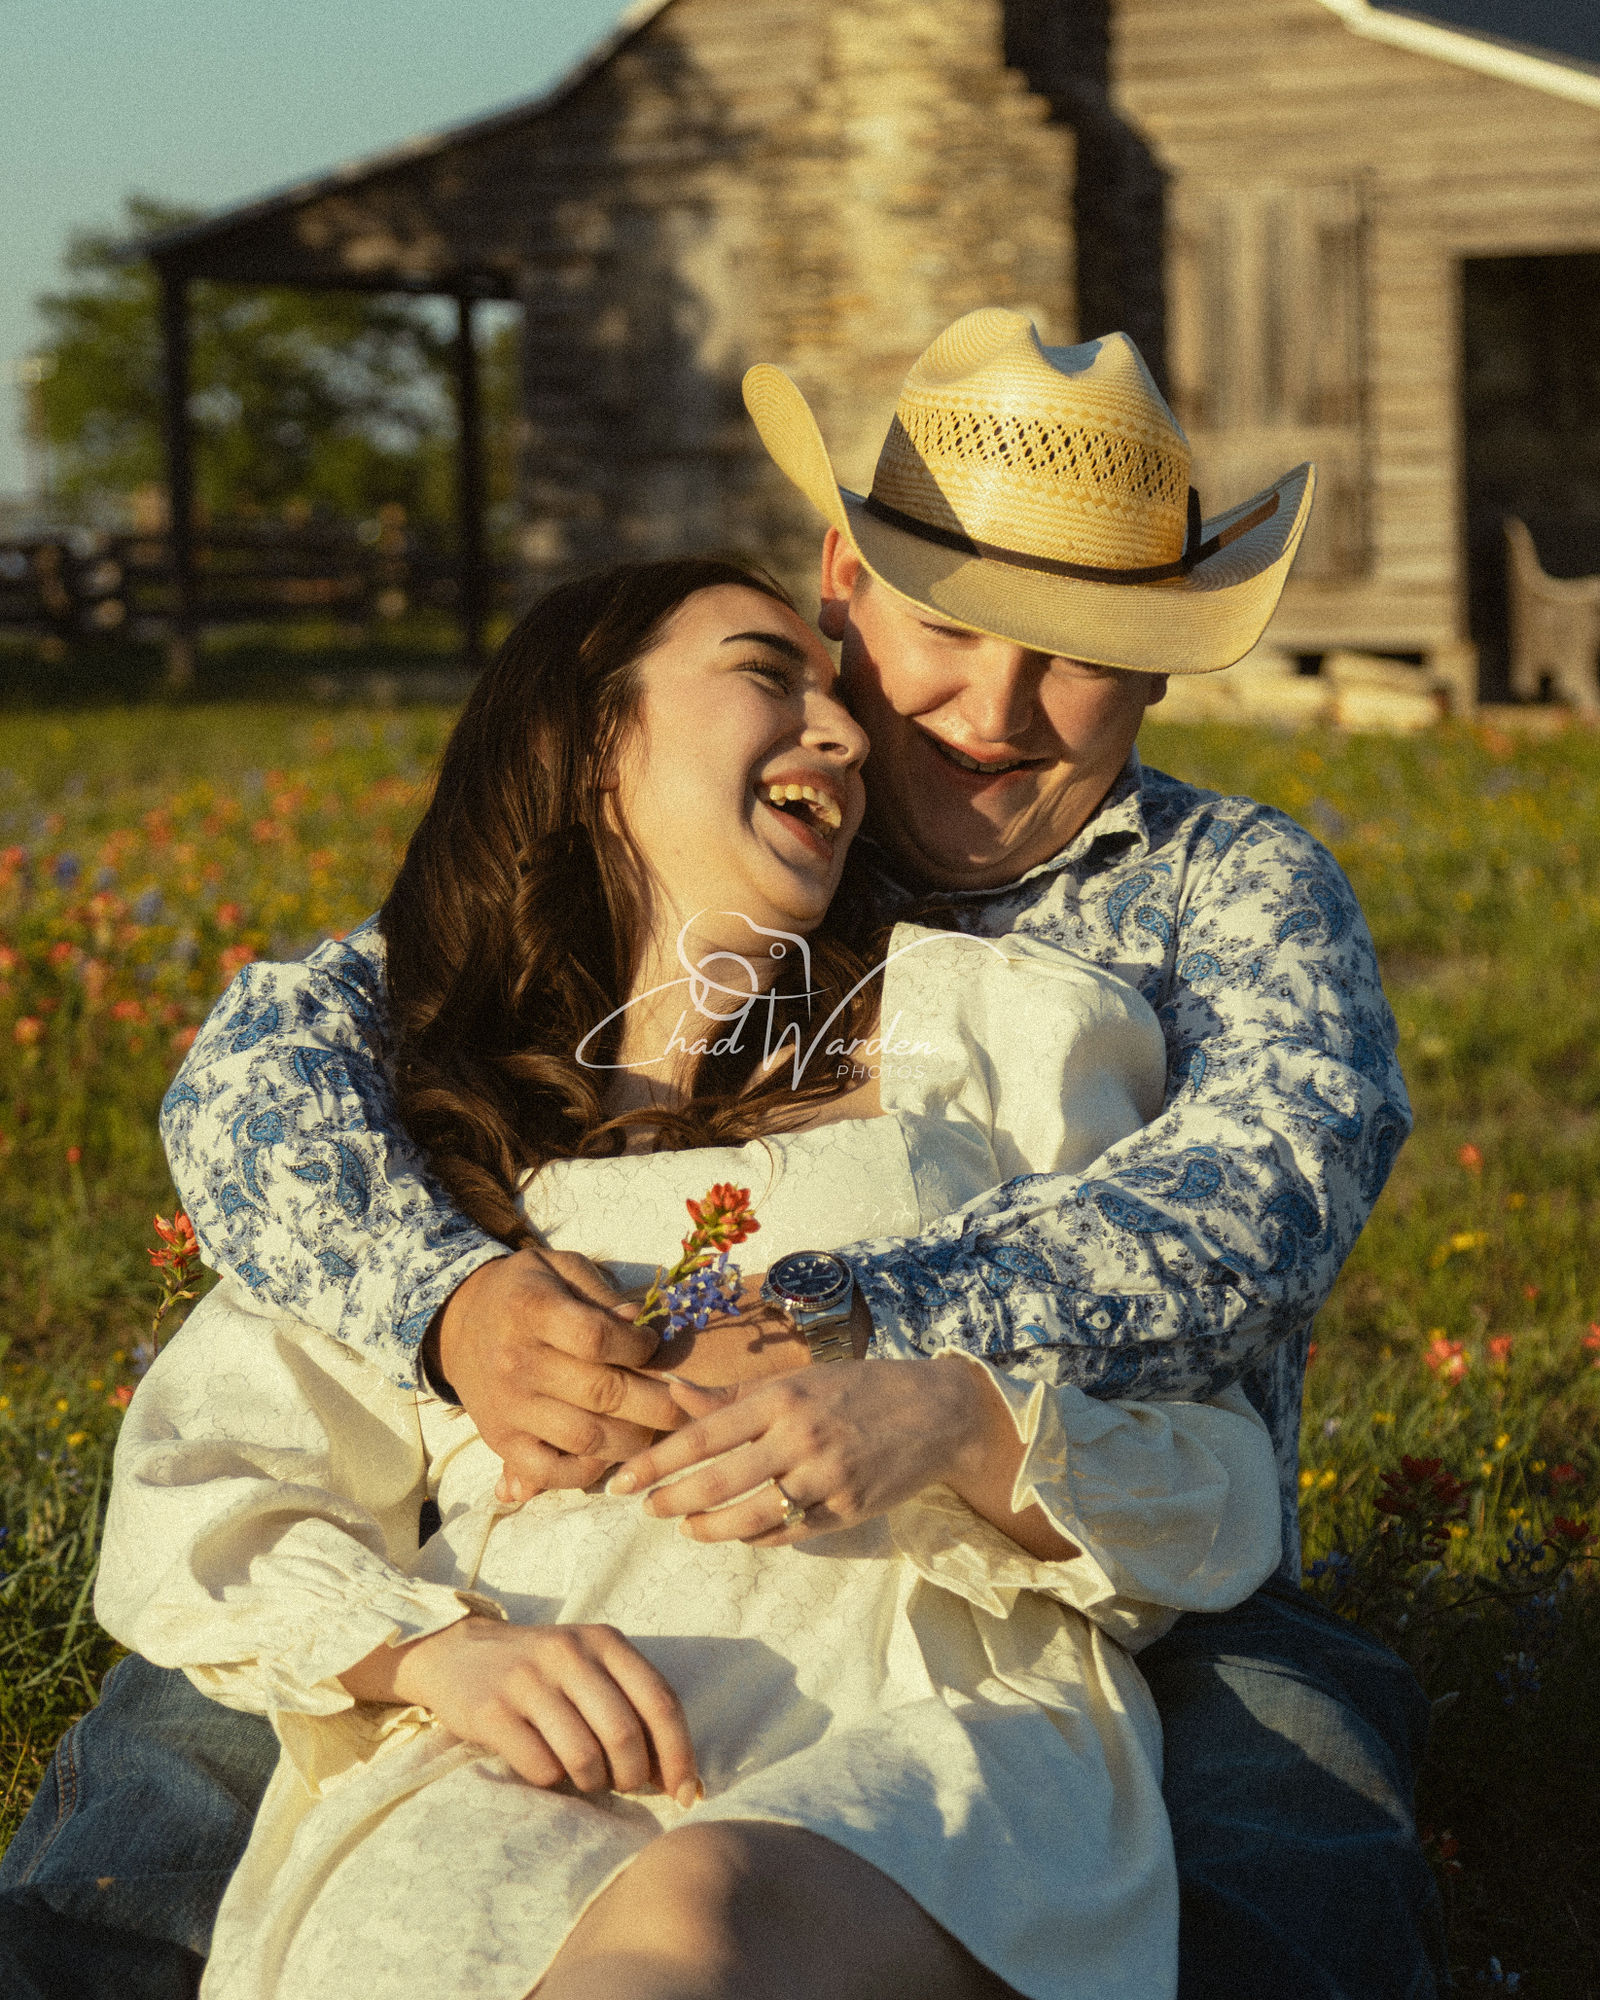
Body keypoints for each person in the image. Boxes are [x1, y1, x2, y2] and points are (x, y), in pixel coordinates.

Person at [0, 312, 1443, 1999]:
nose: (995, 708)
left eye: (1078, 651)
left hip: (1099, 1542)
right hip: (590, 1556)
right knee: (172, 1786)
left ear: (1162, 663)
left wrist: (857, 1315)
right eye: (942, 630)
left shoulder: (1226, 890)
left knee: (1293, 1819)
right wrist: (451, 1305)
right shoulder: (713, 866)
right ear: (845, 582)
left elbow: (1265, 1193)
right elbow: (281, 1057)